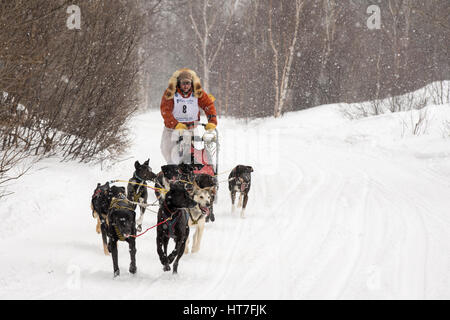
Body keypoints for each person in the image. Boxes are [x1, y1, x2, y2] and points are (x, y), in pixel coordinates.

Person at [160, 68, 217, 164]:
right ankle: (173, 171)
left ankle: (186, 174)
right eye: (183, 83)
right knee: (168, 152)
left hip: (191, 129)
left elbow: (208, 105)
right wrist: (175, 124)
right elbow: (165, 110)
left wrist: (212, 122)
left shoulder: (198, 93)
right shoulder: (171, 93)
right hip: (172, 129)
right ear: (179, 83)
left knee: (189, 155)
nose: (186, 86)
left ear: (192, 83)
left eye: (188, 83)